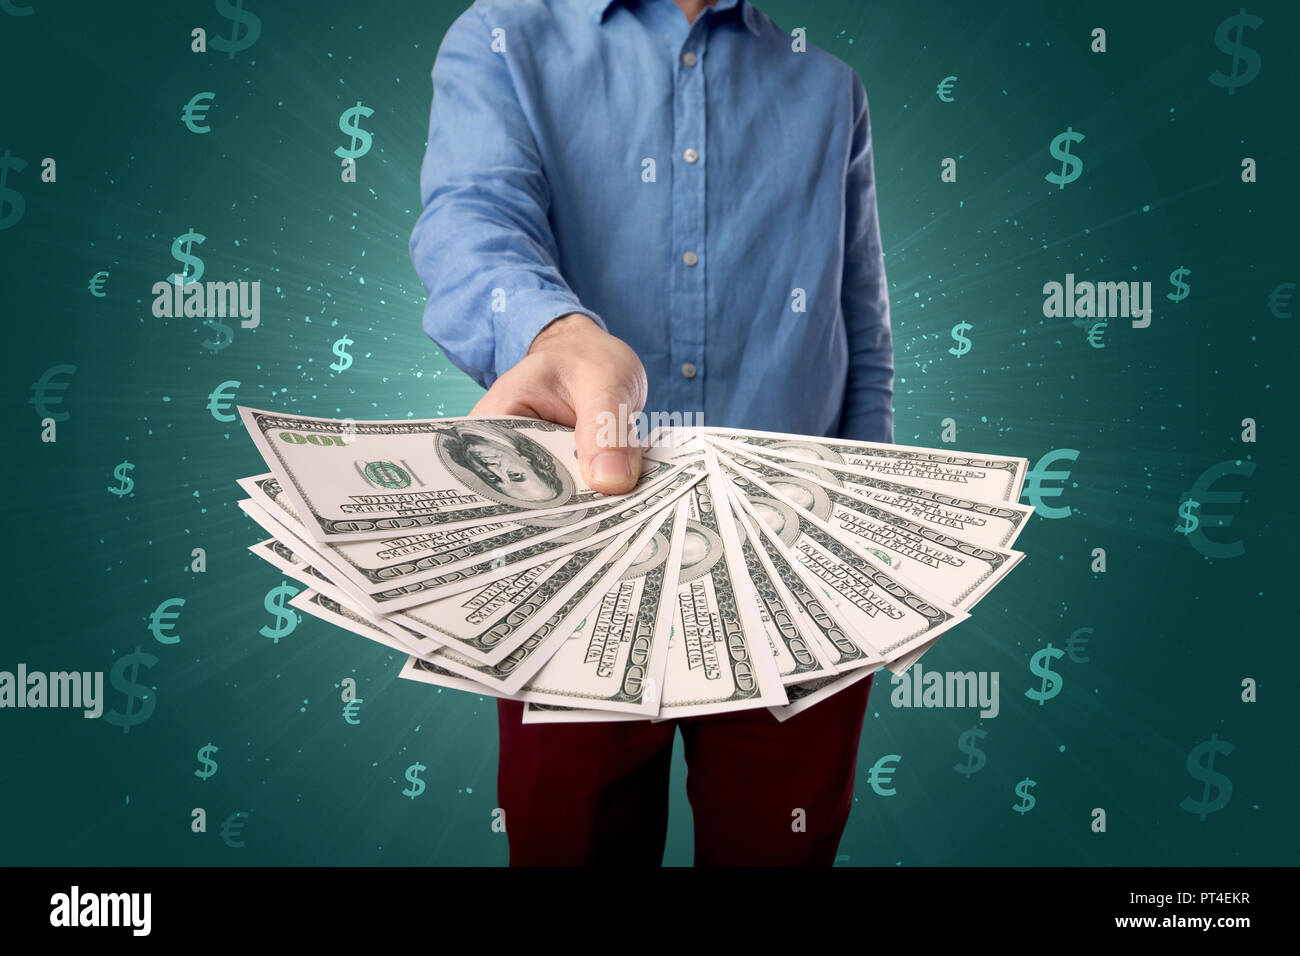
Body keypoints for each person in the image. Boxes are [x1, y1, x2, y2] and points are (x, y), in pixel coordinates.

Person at [410, 0, 894, 866]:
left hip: (795, 575)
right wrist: (557, 332)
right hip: (575, 565)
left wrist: (868, 540)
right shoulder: (503, 37)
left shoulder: (830, 88)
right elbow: (471, 220)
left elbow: (860, 331)